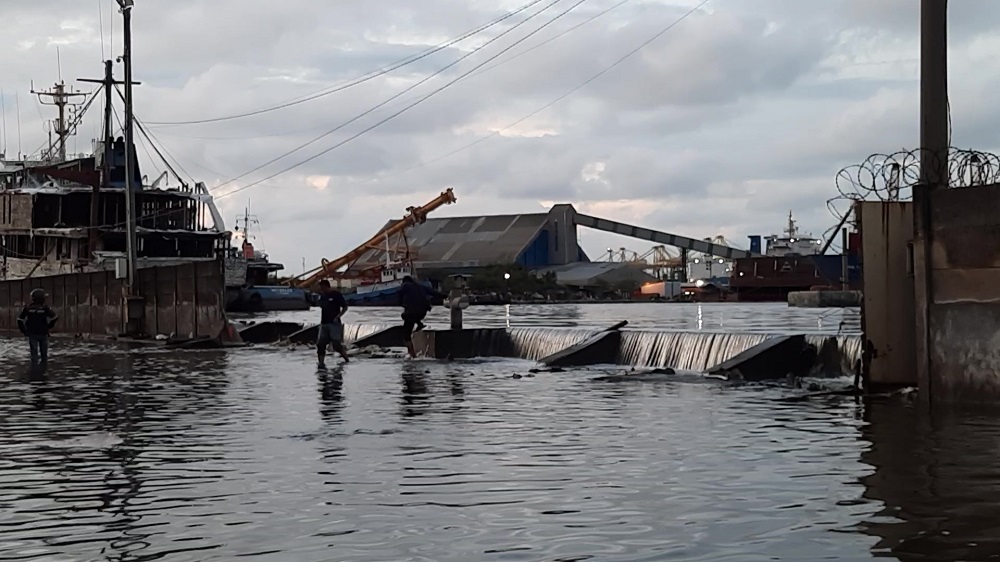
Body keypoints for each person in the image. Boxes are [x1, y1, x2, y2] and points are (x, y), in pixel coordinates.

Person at [398, 276, 445, 358]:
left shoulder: (405, 285)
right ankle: (419, 324)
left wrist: (401, 302)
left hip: (411, 313)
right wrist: (446, 296)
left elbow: (399, 293)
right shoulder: (420, 286)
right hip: (422, 313)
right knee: (410, 319)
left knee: (406, 334)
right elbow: (434, 293)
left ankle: (412, 355)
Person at [18, 288, 58, 373]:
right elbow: (55, 317)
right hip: (43, 334)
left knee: (34, 355)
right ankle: (43, 371)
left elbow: (19, 319)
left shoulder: (28, 308)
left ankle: (34, 372)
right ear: (42, 299)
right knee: (44, 355)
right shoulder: (45, 308)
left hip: (32, 334)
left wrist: (24, 331)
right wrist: (49, 326)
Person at [313, 279, 349, 368]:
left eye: (322, 288)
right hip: (324, 323)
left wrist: (338, 316)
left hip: (334, 324)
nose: (321, 289)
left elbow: (345, 307)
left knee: (336, 345)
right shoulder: (322, 296)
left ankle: (346, 360)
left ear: (326, 286)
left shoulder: (336, 295)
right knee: (320, 345)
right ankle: (321, 363)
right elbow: (320, 305)